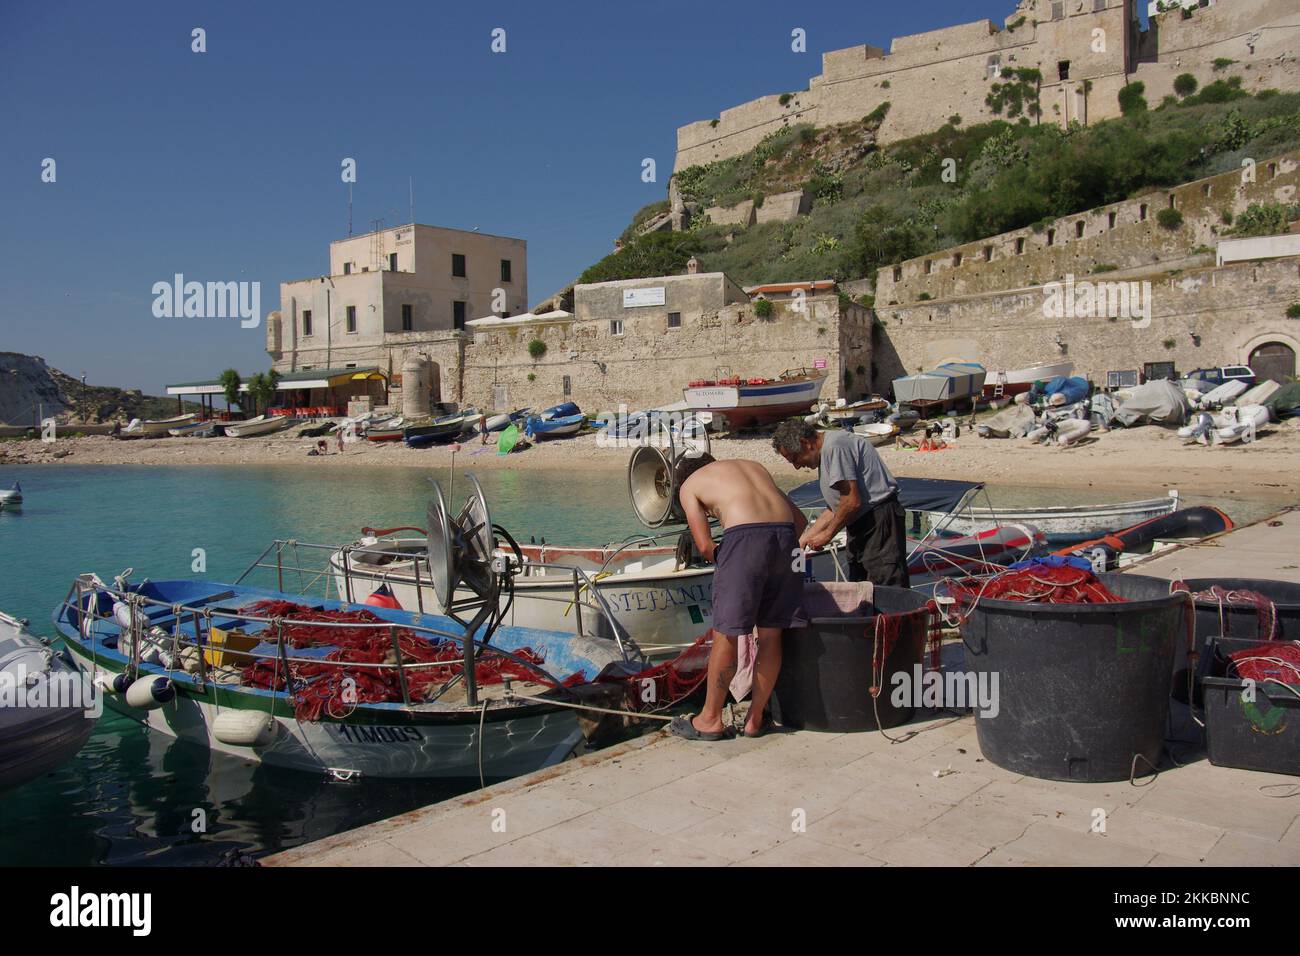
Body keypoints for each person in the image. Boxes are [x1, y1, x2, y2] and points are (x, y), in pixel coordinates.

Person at [667, 454, 808, 741]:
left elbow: (706, 546)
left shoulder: (689, 485)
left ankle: (709, 720)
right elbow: (800, 520)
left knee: (727, 635)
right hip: (786, 537)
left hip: (745, 539)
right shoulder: (753, 467)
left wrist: (732, 558)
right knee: (771, 635)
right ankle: (755, 720)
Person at [772, 419, 910, 588]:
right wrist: (805, 538)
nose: (797, 466)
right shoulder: (828, 451)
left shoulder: (835, 446)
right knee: (861, 588)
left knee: (885, 586)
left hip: (878, 520)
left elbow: (851, 502)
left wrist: (827, 535)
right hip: (860, 523)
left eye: (795, 459)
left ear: (805, 443)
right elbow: (836, 508)